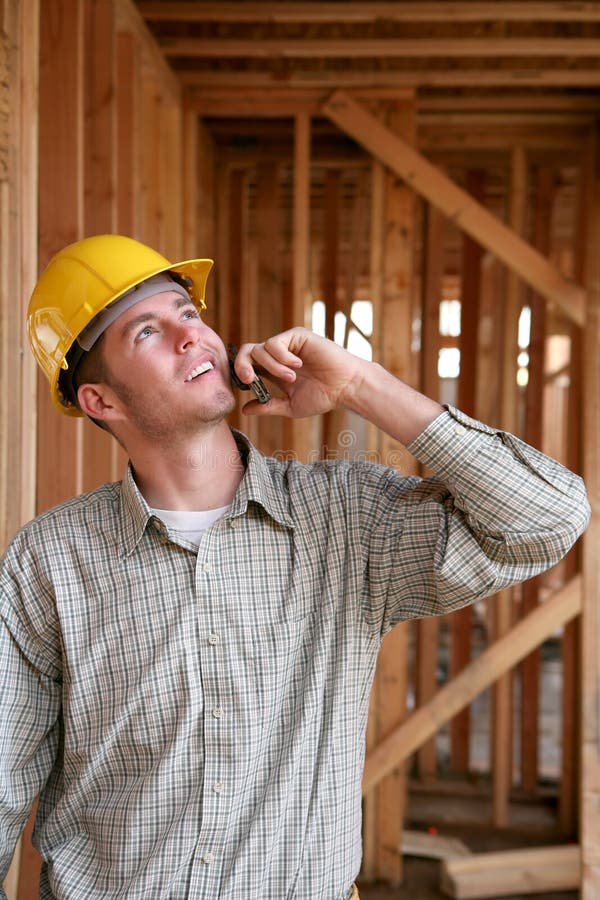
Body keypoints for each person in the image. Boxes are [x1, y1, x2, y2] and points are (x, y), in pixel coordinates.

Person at [1, 234, 590, 900]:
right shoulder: (49, 561)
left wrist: (360, 384)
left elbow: (547, 520)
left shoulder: (345, 520)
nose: (190, 336)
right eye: (147, 332)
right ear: (101, 402)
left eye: (188, 314)